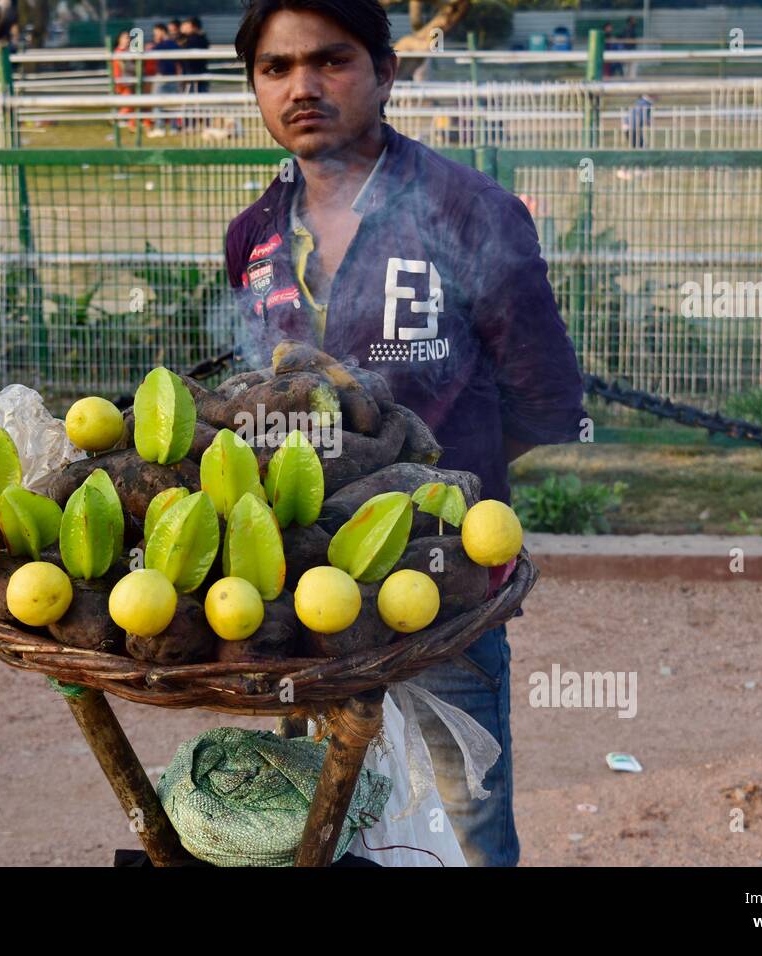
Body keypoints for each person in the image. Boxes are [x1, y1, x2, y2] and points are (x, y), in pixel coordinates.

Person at [225, 0, 586, 867]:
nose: (302, 86)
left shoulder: (472, 215)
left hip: (438, 590)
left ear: (386, 73)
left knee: (461, 829)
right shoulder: (253, 237)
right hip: (298, 593)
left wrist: (424, 496)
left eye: (331, 60)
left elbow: (544, 399)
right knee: (321, 822)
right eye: (275, 69)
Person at [147, 22, 183, 134]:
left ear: (162, 32)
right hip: (173, 77)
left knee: (157, 102)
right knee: (173, 104)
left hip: (163, 77)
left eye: (156, 33)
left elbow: (150, 52)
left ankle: (160, 127)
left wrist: (152, 46)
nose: (155, 36)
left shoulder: (161, 45)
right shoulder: (174, 44)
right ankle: (174, 128)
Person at [181, 16, 211, 95]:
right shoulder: (200, 38)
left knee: (194, 100)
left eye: (187, 25)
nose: (184, 27)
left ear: (193, 26)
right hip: (195, 76)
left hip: (194, 76)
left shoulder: (196, 39)